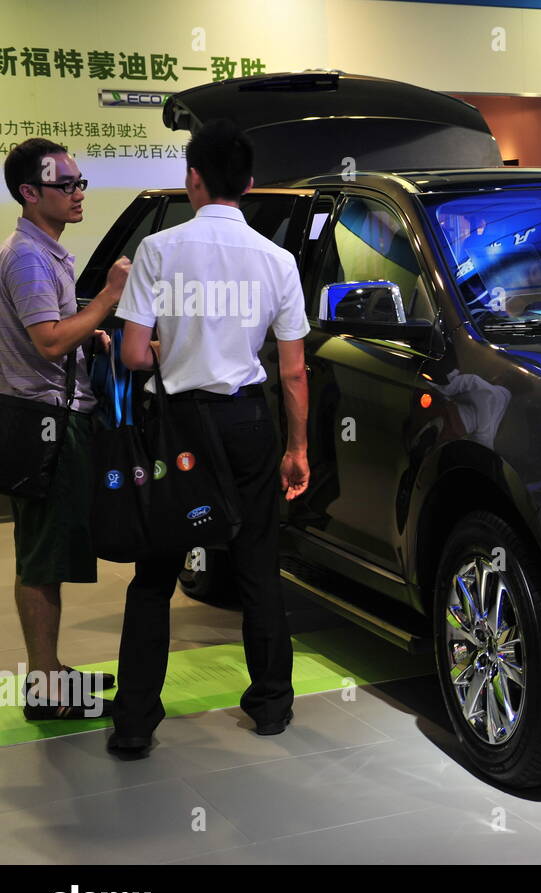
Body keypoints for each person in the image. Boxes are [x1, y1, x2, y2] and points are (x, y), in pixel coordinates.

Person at [108, 119, 311, 756]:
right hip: (248, 423)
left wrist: (172, 347)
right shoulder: (278, 260)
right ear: (248, 184)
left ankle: (134, 722)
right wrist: (297, 448)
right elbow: (293, 370)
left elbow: (132, 354)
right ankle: (271, 706)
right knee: (257, 565)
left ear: (192, 179)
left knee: (154, 574)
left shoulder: (158, 249)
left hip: (177, 428)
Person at [1, 138, 129, 720]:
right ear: (30, 193)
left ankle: (50, 671)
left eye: (80, 183)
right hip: (43, 423)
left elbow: (57, 331)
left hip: (50, 415)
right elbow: (48, 341)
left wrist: (89, 330)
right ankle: (45, 688)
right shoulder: (28, 257)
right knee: (40, 557)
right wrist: (106, 300)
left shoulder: (45, 251)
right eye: (66, 185)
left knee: (47, 554)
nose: (78, 194)